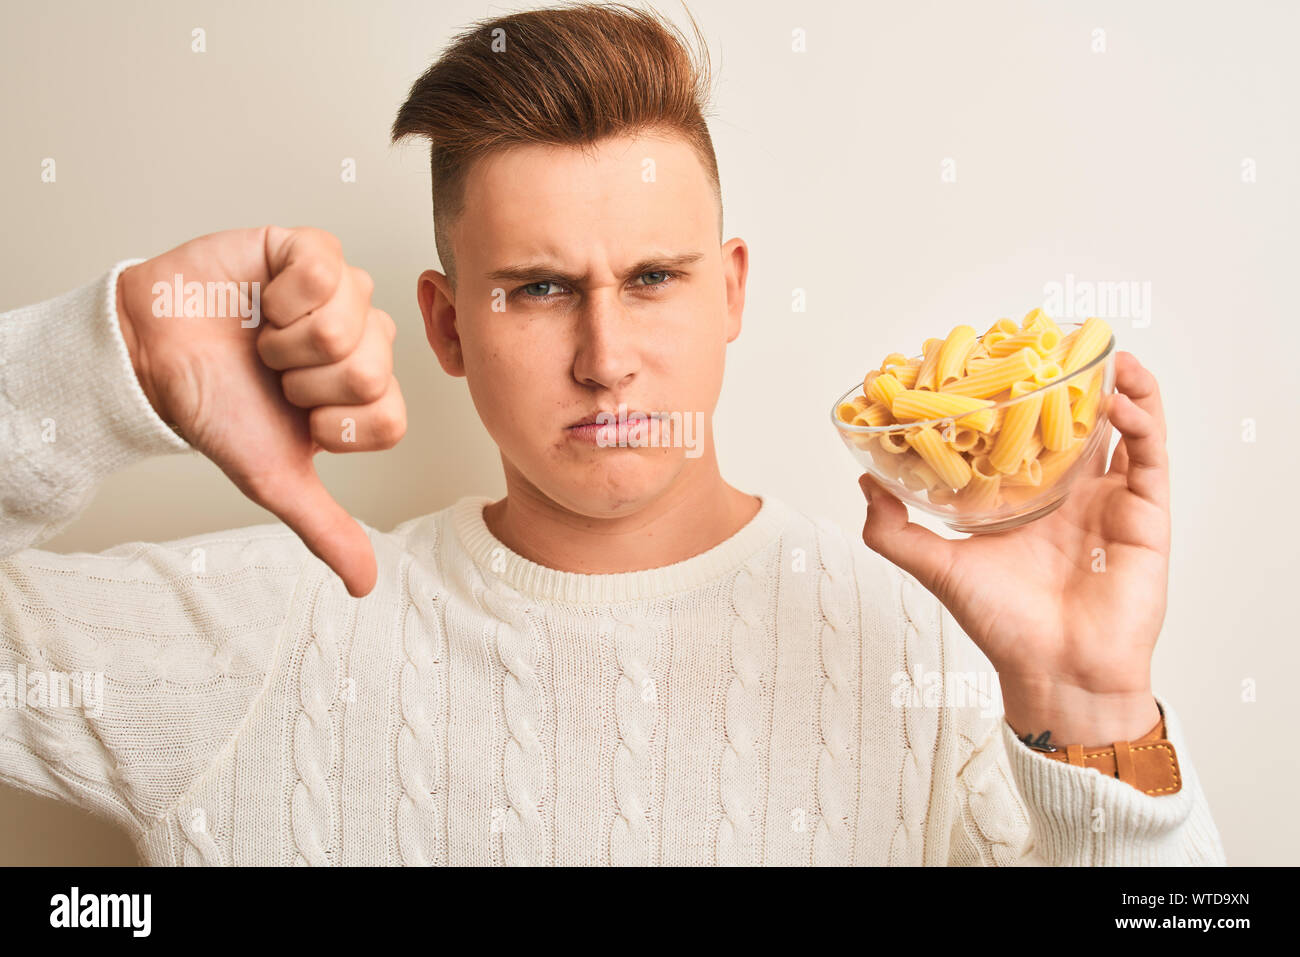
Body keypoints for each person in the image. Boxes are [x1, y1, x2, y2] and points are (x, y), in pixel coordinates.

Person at [0, 1, 1224, 866]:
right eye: (537, 288)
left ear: (733, 291)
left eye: (652, 278)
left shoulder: (940, 657)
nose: (603, 357)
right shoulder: (259, 635)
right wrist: (102, 365)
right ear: (447, 322)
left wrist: (1090, 703)